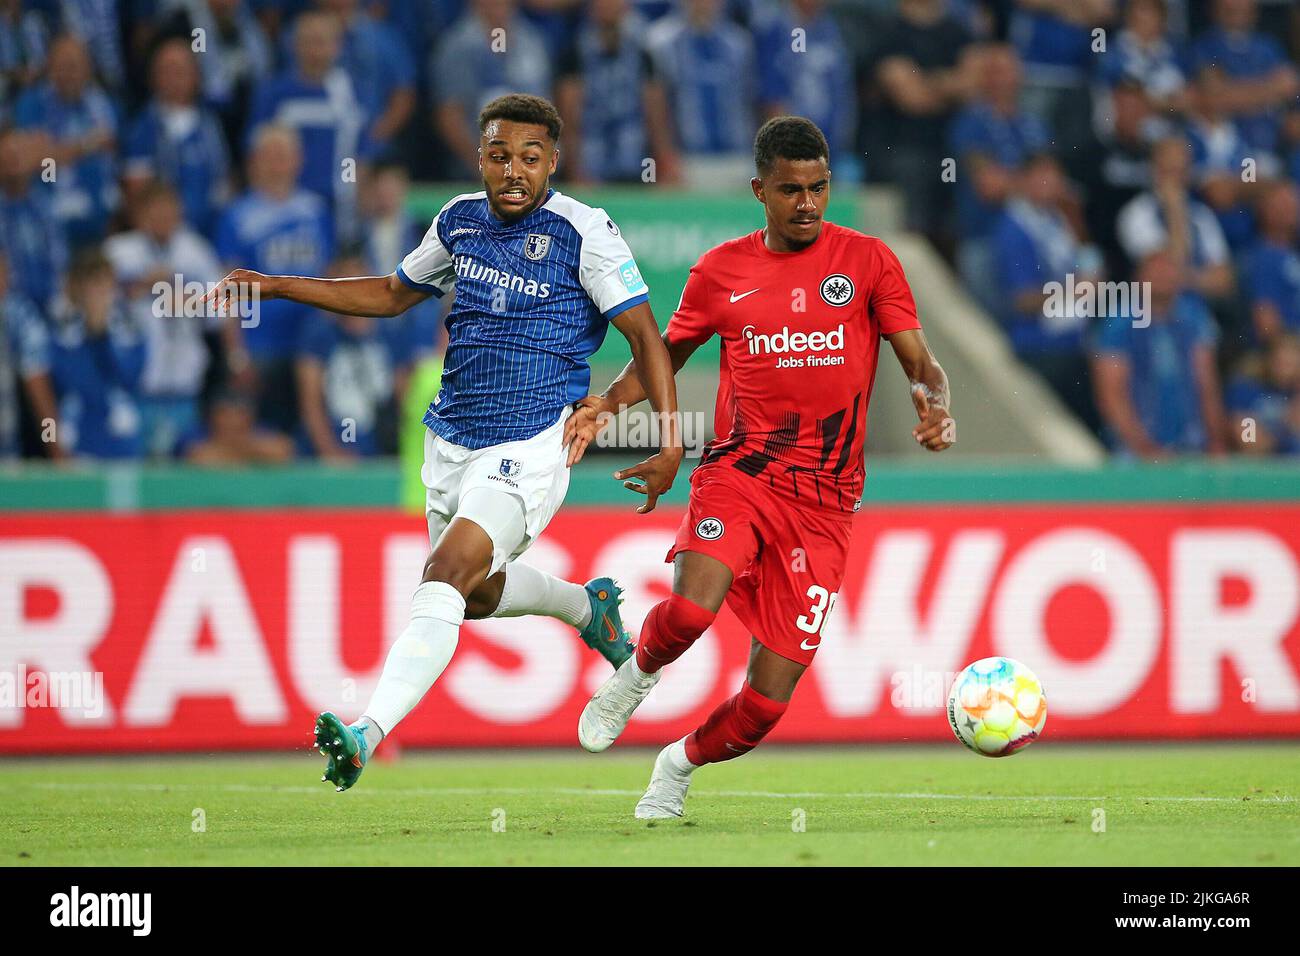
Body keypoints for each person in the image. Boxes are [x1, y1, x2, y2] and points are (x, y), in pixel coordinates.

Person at [208, 93, 683, 791]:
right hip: (452, 440)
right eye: (499, 156)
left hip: (532, 441)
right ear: (480, 157)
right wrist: (280, 286)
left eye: (529, 157)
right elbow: (393, 295)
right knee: (478, 596)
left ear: (553, 160)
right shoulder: (458, 220)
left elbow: (648, 339)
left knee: (443, 576)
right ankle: (587, 607)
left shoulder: (585, 230)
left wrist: (667, 441)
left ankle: (365, 733)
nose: (513, 171)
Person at [565, 116, 953, 819]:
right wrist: (608, 407)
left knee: (766, 706)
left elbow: (919, 361)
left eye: (820, 188)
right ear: (759, 191)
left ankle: (675, 766)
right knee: (688, 609)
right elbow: (668, 354)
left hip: (827, 503)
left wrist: (935, 402)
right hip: (743, 471)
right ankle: (635, 675)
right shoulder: (720, 271)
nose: (808, 203)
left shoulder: (868, 261)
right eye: (791, 190)